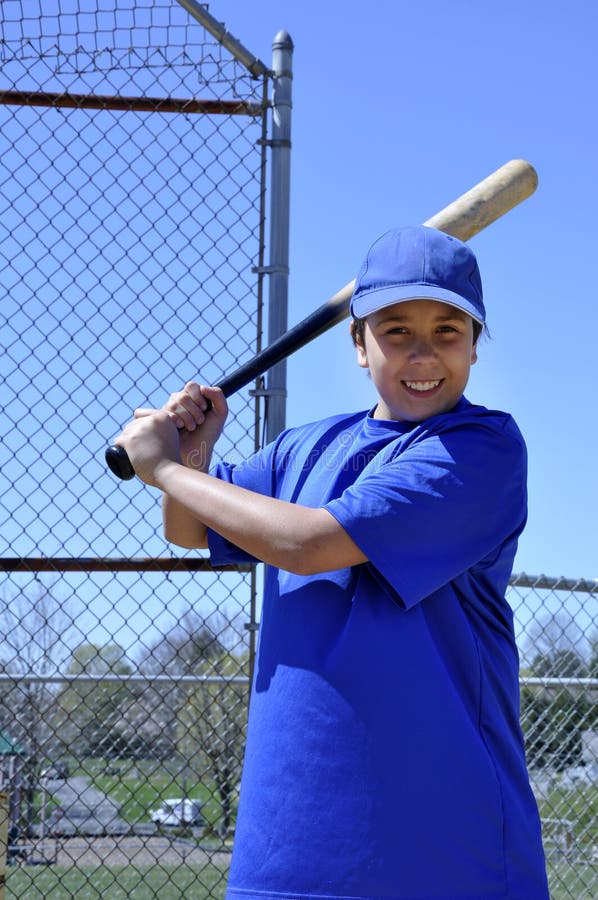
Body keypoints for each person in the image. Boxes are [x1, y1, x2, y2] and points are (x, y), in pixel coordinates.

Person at [114, 225, 550, 899]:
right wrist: (194, 449)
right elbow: (191, 527)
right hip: (286, 846)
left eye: (447, 330)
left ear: (474, 344)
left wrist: (165, 468)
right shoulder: (302, 449)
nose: (422, 353)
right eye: (396, 331)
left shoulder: (479, 448)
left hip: (442, 853)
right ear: (358, 344)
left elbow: (310, 545)